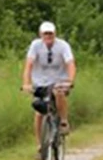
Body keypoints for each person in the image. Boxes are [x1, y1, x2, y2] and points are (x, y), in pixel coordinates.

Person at [22, 21, 76, 151]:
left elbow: (70, 64)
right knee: (39, 112)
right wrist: (26, 83)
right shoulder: (35, 45)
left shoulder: (63, 45)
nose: (48, 36)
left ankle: (63, 121)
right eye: (45, 33)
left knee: (59, 93)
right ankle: (40, 144)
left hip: (59, 80)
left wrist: (70, 81)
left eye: (50, 33)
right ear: (41, 34)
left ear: (55, 34)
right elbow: (28, 65)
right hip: (40, 81)